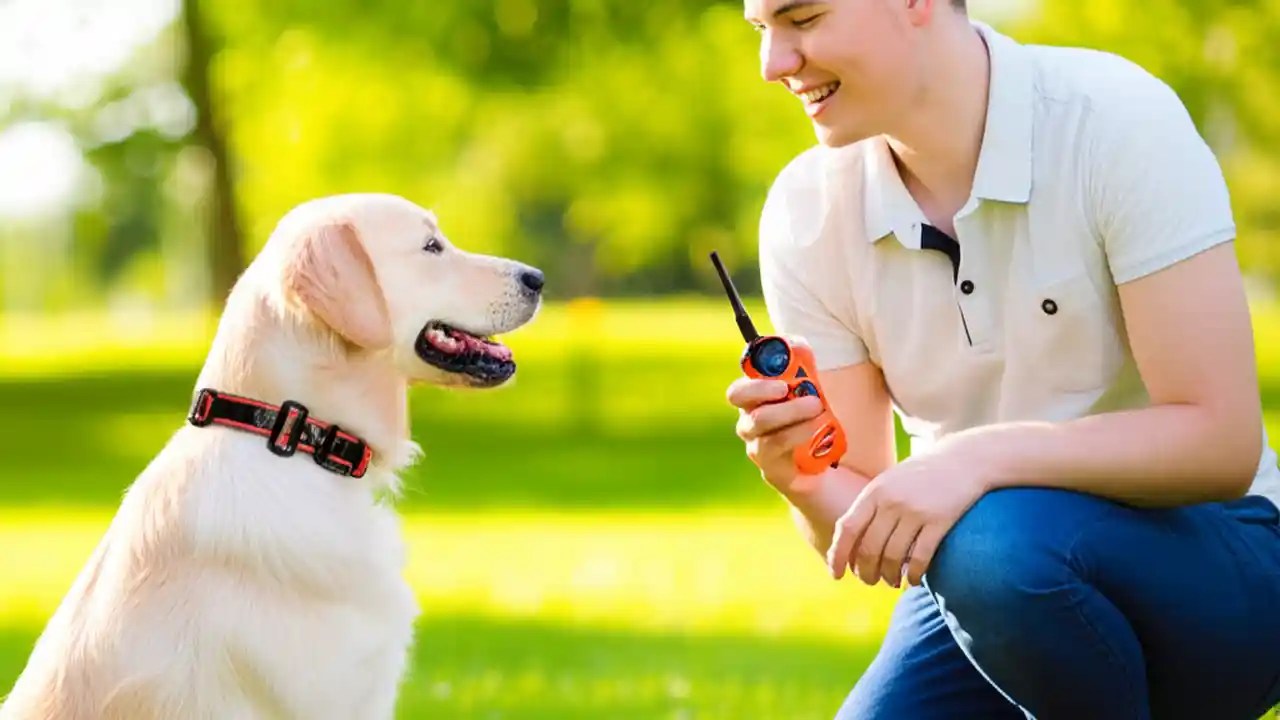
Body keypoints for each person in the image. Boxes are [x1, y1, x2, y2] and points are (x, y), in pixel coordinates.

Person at [727, 0, 1280, 718]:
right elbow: (868, 524)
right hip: (989, 589)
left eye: (803, 19)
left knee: (995, 546)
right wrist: (797, 477)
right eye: (762, 31)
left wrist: (974, 460)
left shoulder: (1114, 120)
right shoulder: (807, 211)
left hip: (1221, 555)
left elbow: (1220, 441)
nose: (775, 64)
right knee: (989, 554)